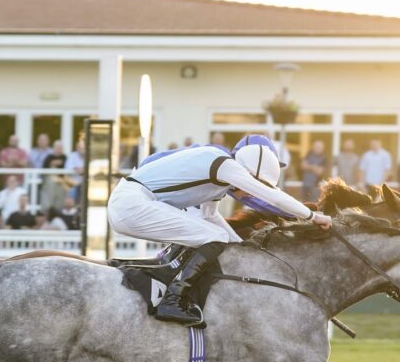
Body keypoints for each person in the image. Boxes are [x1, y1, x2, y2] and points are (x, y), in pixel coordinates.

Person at [108, 135, 331, 326]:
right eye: (253, 185)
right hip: (132, 203)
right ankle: (172, 300)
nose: (249, 195)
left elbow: (210, 216)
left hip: (131, 203)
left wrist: (242, 246)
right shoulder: (224, 164)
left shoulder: (219, 181)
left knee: (210, 235)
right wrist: (313, 216)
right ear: (248, 173)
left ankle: (152, 279)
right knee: (212, 237)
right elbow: (271, 196)